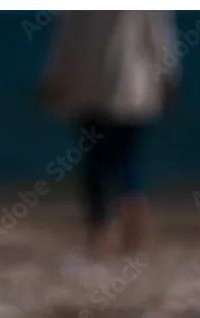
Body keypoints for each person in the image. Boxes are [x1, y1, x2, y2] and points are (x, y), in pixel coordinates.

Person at [39, 11, 179, 259]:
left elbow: (67, 38)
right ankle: (132, 229)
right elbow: (158, 35)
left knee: (95, 161)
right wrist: (169, 74)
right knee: (127, 157)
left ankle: (101, 232)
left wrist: (54, 76)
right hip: (132, 82)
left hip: (89, 83)